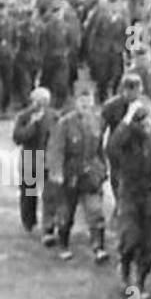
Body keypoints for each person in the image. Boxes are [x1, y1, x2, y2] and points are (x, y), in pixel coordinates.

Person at [107, 97, 151, 299]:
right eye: (141, 121)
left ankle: (139, 282)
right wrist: (126, 120)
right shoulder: (127, 137)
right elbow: (112, 147)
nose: (146, 125)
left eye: (149, 120)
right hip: (131, 194)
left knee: (150, 246)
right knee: (130, 239)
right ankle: (130, 287)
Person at [47, 87, 109, 263]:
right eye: (82, 102)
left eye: (88, 102)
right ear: (76, 103)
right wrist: (57, 173)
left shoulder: (97, 121)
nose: (85, 106)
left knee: (95, 211)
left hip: (90, 175)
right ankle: (64, 244)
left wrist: (103, 169)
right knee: (66, 213)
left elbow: (99, 150)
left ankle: (98, 248)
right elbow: (56, 150)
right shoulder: (64, 124)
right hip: (70, 175)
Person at [12, 86, 57, 238]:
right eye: (37, 101)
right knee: (29, 194)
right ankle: (29, 223)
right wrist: (33, 124)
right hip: (30, 158)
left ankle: (48, 226)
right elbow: (18, 138)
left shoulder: (53, 117)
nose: (39, 104)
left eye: (43, 101)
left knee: (49, 195)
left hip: (46, 159)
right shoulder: (24, 116)